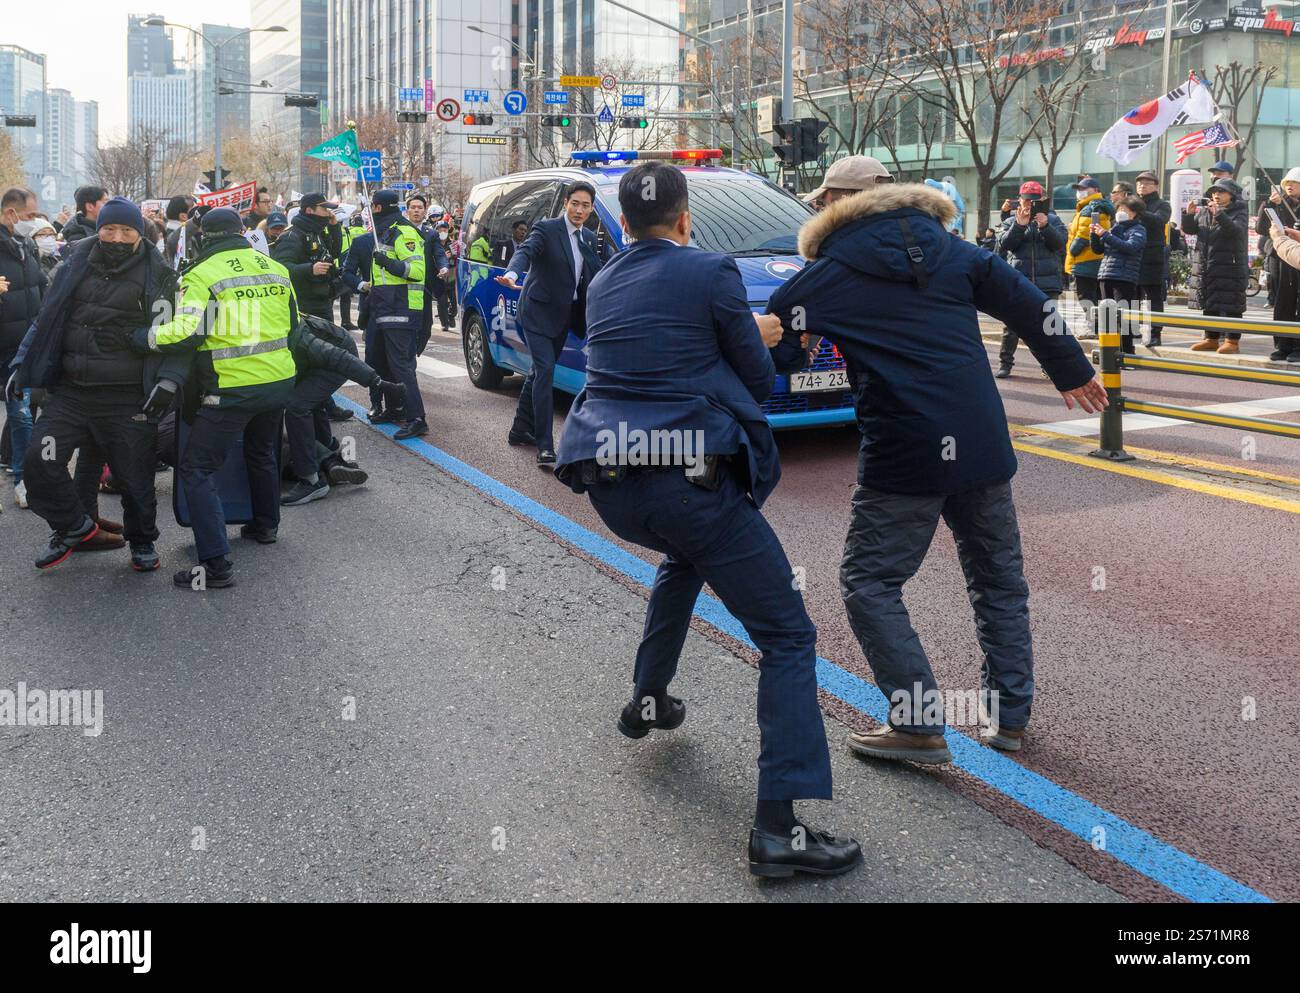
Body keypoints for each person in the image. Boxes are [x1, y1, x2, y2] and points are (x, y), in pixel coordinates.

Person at [555, 160, 861, 878]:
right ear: (687, 219)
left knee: (681, 559)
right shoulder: (712, 270)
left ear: (623, 224)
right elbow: (756, 379)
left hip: (612, 483)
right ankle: (778, 832)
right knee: (788, 636)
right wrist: (759, 332)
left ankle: (650, 698)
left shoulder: (602, 282)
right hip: (690, 482)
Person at [766, 181, 1107, 764]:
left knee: (870, 582)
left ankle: (918, 721)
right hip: (978, 438)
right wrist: (1070, 369)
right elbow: (1033, 306)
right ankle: (1009, 719)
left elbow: (779, 347)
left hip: (905, 447)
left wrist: (803, 341)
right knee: (998, 578)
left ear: (833, 205)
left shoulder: (826, 273)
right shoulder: (956, 251)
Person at [15, 196, 189, 571]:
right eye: (109, 228)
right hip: (70, 393)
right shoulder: (74, 263)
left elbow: (178, 335)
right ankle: (73, 528)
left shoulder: (158, 275)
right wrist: (21, 364)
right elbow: (46, 320)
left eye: (126, 230)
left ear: (140, 234)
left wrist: (171, 380)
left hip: (127, 398)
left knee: (134, 478)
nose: (116, 237)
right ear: (99, 228)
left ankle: (142, 542)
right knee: (39, 460)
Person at [129, 207, 298, 589]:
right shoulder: (275, 268)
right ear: (241, 231)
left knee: (196, 469)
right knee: (262, 452)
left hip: (232, 388)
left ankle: (215, 564)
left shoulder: (202, 274)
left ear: (204, 236)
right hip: (278, 381)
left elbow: (187, 332)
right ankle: (265, 525)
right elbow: (295, 326)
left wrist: (141, 338)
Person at [496, 181, 613, 465]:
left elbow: (596, 273)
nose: (579, 210)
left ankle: (519, 429)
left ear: (591, 209)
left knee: (538, 372)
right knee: (546, 371)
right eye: (575, 203)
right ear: (566, 204)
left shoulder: (587, 237)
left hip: (563, 317)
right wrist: (513, 274)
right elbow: (526, 251)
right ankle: (545, 445)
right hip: (536, 313)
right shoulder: (547, 229)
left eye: (586, 206)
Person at [1, 187, 47, 510]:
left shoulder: (26, 245)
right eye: (31, 217)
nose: (36, 222)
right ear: (11, 214)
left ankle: (23, 482)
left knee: (22, 417)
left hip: (22, 349)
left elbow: (40, 288)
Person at [367, 189, 427, 440]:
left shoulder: (404, 231)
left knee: (402, 367)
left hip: (401, 309)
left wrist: (387, 262)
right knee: (384, 364)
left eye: (373, 205)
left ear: (379, 208)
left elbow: (417, 271)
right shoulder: (385, 230)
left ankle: (417, 419)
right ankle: (393, 410)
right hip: (386, 308)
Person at [994, 180, 1067, 378]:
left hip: (1048, 282)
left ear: (1042, 201)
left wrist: (1045, 226)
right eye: (1026, 200)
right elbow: (1006, 245)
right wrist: (1019, 225)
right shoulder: (1010, 221)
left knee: (1048, 327)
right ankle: (1005, 363)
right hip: (1018, 281)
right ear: (1020, 200)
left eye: (1034, 201)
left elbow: (1060, 244)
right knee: (1012, 327)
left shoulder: (1053, 220)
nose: (1029, 205)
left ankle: (1050, 366)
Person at [1183, 178, 1249, 354]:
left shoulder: (1239, 210)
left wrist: (1219, 214)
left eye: (1221, 192)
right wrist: (1188, 215)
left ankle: (1232, 341)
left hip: (1230, 265)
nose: (1216, 195)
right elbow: (1190, 230)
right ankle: (1211, 339)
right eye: (1214, 192)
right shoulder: (1205, 211)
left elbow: (1236, 232)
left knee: (1231, 304)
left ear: (1231, 194)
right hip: (1207, 263)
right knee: (1209, 302)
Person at [1090, 195, 1147, 354]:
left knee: (1124, 318)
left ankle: (1127, 353)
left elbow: (1130, 247)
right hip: (1105, 275)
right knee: (1108, 318)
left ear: (1134, 213)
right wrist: (1095, 234)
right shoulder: (1115, 227)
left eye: (1124, 209)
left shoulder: (1138, 229)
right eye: (1119, 209)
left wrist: (1105, 235)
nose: (1120, 212)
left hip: (1124, 278)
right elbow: (1098, 249)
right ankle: (1110, 354)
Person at [1259, 168, 1300, 362]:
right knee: (1282, 302)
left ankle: (1298, 347)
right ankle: (1283, 345)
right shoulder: (1277, 203)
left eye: (1294, 182)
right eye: (1286, 183)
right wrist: (1269, 205)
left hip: (1296, 257)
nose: (1289, 186)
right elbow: (1261, 229)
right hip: (1280, 258)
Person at [1065, 177, 1114, 333]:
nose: (1080, 192)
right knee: (1095, 296)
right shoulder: (1093, 206)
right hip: (1094, 258)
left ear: (1096, 190)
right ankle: (1099, 327)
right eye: (1079, 189)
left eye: (1085, 188)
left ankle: (1093, 327)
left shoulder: (1090, 208)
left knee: (1086, 296)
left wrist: (1072, 251)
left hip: (1085, 259)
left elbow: (1085, 234)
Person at [1133, 171, 1171, 347]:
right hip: (1132, 254)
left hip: (1152, 257)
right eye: (1140, 183)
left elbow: (1159, 221)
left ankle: (1156, 334)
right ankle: (1132, 329)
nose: (1142, 185)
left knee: (1154, 298)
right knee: (1131, 295)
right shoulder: (1131, 202)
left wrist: (1139, 211)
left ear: (1156, 186)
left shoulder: (1162, 204)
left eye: (1147, 183)